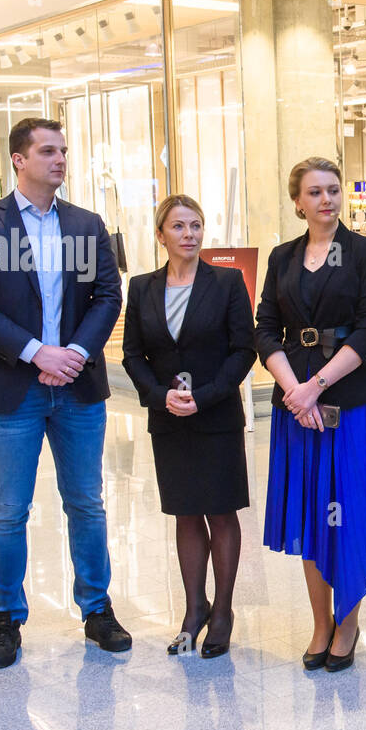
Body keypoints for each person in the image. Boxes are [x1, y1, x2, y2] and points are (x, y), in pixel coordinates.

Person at [0, 117, 127, 670]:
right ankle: (7, 620)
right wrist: (36, 352)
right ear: (18, 160)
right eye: (47, 151)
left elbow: (107, 294)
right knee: (8, 510)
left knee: (87, 502)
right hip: (10, 389)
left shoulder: (86, 223)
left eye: (64, 151)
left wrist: (73, 353)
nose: (59, 160)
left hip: (76, 387)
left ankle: (96, 611)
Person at [255, 157, 366, 673]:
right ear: (298, 201)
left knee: (348, 509)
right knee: (315, 513)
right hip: (296, 404)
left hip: (352, 399)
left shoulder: (365, 252)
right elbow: (265, 327)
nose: (327, 200)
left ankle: (349, 620)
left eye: (334, 190)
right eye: (315, 192)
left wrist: (317, 386)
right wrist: (295, 390)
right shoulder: (281, 257)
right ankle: (321, 622)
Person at [122, 195, 255, 658]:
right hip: (168, 419)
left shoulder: (227, 283)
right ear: (160, 235)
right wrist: (162, 397)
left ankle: (222, 611)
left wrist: (204, 396)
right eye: (178, 227)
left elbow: (244, 350)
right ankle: (193, 608)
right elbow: (132, 355)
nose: (190, 235)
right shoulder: (141, 288)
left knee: (220, 511)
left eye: (196, 225)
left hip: (215, 415)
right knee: (185, 512)